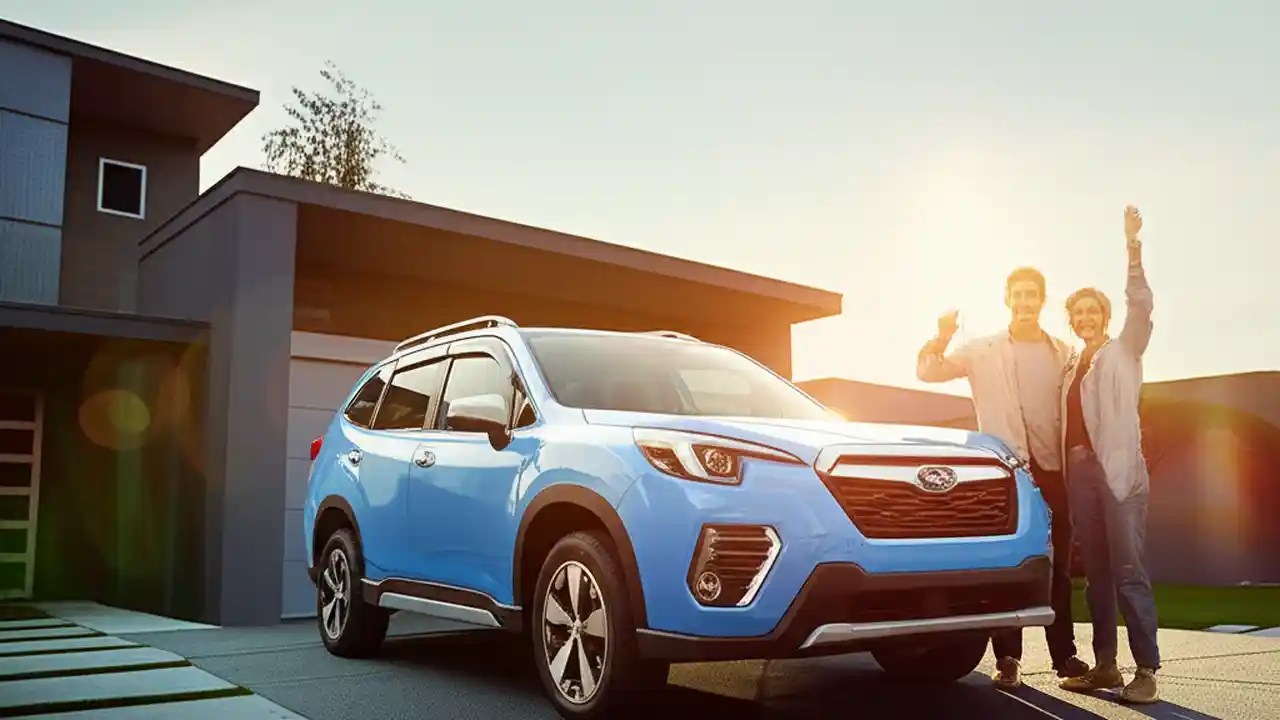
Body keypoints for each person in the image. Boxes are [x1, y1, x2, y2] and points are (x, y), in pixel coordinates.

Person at [917, 268, 1090, 689]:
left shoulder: (1062, 352)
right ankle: (1008, 659)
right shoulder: (982, 349)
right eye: (1019, 295)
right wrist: (941, 335)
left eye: (1033, 295)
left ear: (1042, 300)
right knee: (1008, 564)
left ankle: (1064, 656)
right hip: (1007, 471)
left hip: (1052, 471)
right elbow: (929, 371)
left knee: (1059, 568)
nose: (1025, 302)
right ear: (1008, 299)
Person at [1057, 205, 1160, 704]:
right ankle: (1105, 666)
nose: (1084, 318)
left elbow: (1141, 306)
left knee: (1127, 572)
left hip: (1118, 474)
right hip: (1080, 473)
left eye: (1091, 310)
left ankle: (1146, 669)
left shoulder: (1125, 349)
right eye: (1076, 313)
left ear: (1105, 314)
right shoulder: (1071, 363)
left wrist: (1132, 249)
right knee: (1095, 577)